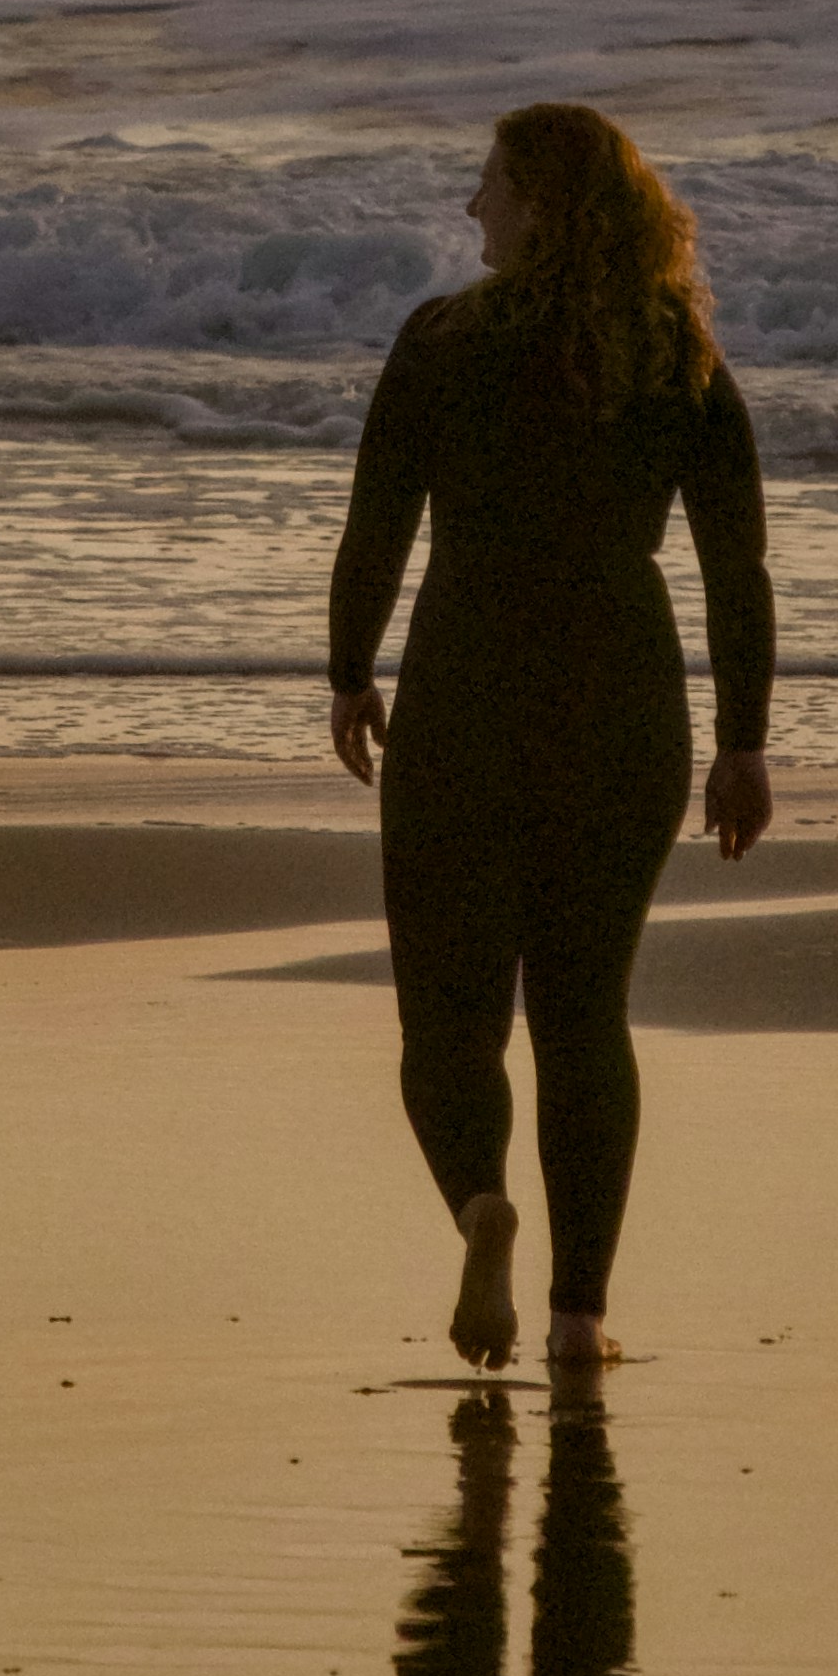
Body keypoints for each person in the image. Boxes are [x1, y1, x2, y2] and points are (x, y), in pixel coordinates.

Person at [327, 102, 774, 1377]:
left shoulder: (440, 342)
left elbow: (377, 526)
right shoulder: (674, 350)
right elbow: (734, 563)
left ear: (538, 204)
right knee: (586, 1017)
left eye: (489, 186)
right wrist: (742, 739)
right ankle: (579, 1318)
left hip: (465, 688)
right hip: (621, 697)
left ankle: (479, 1203)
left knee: (446, 1023)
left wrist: (350, 670)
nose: (473, 209)